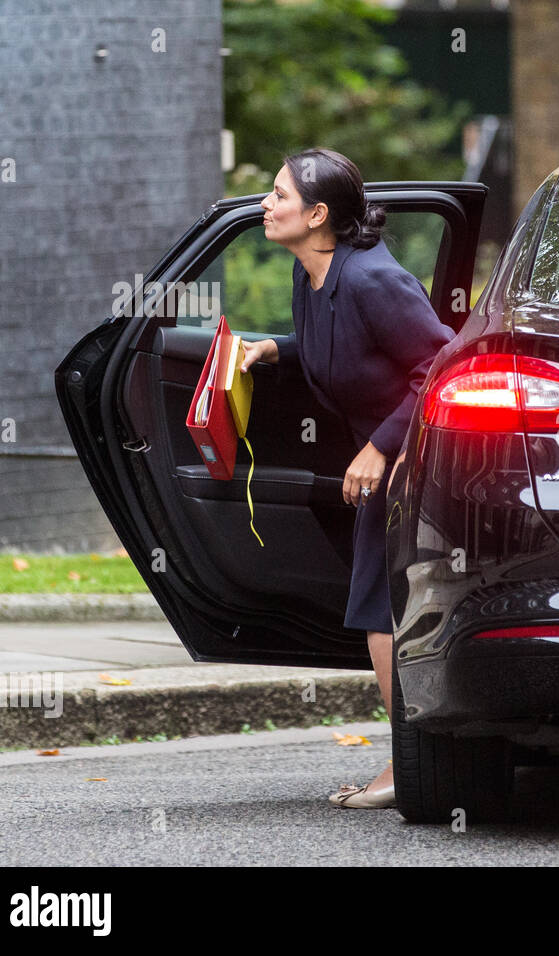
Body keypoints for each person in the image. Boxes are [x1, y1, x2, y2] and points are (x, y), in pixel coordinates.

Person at [239, 147, 453, 808]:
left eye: (279, 195)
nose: (267, 205)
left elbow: (441, 366)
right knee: (378, 607)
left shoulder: (372, 280)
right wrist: (277, 348)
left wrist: (380, 449)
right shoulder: (313, 278)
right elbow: (347, 348)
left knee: (381, 608)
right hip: (386, 463)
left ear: (319, 214)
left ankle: (407, 770)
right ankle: (416, 759)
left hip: (421, 462)